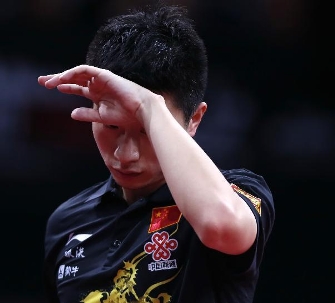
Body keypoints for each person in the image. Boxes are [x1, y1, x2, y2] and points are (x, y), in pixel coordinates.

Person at [38, 3, 275, 303]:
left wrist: (149, 105)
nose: (126, 155)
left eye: (147, 130)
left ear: (194, 120)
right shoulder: (67, 222)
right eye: (111, 126)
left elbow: (220, 226)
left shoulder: (239, 192)